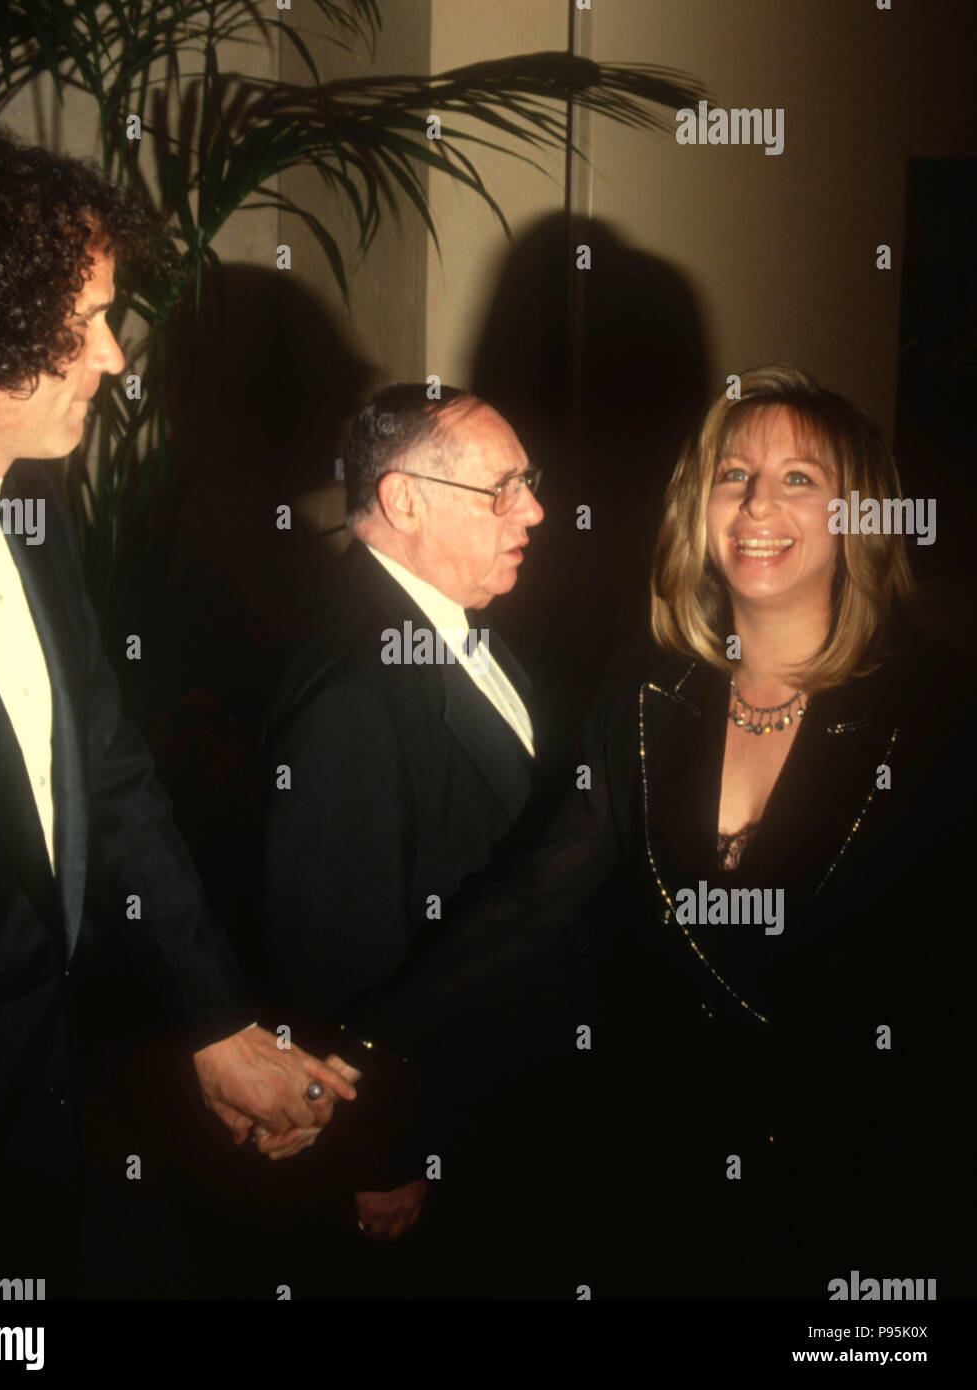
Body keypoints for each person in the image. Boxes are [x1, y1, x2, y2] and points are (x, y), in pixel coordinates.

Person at [387, 364, 973, 1297]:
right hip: (663, 1199)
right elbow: (532, 897)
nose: (755, 505)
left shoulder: (938, 707)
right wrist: (362, 1045)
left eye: (800, 480)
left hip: (862, 1209)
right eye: (733, 475)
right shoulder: (644, 690)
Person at [0, 126, 356, 1297]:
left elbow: (106, 774)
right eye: (87, 318)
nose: (112, 354)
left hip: (51, 1138)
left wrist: (211, 1021)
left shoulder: (39, 522)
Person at [260, 383, 557, 1250]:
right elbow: (332, 954)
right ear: (404, 501)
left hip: (501, 1096)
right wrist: (379, 1156)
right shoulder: (352, 688)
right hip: (432, 1135)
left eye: (529, 481)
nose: (533, 510)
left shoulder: (455, 624)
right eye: (502, 488)